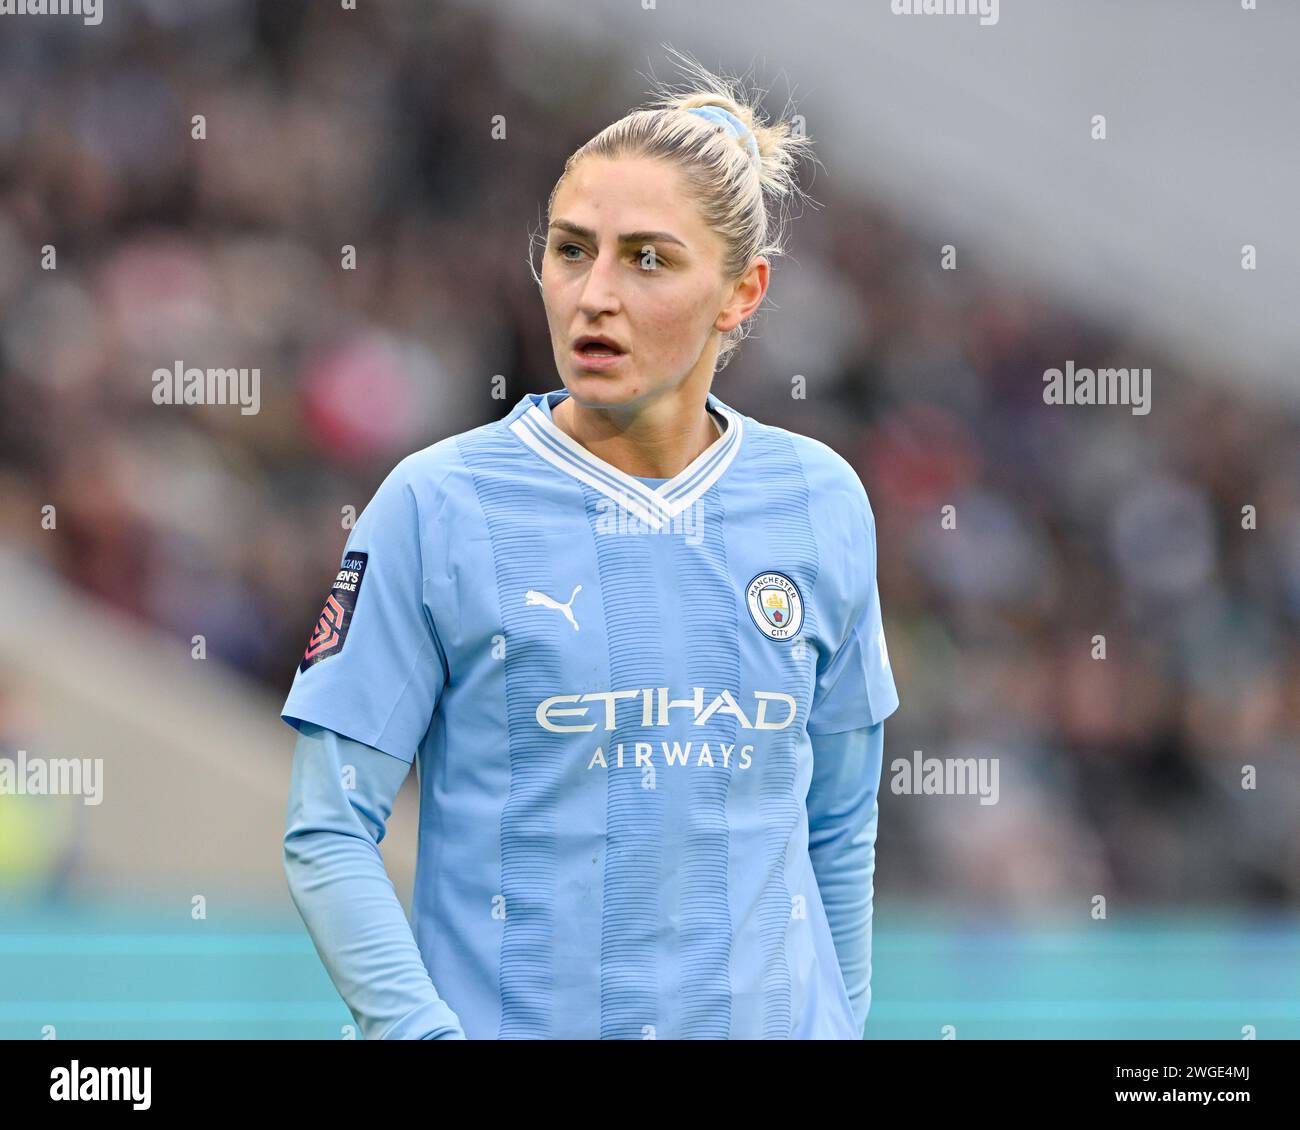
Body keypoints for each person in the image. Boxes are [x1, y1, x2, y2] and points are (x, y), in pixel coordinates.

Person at [281, 55, 899, 1040]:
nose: (594, 294)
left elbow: (839, 822)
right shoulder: (439, 504)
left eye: (647, 258)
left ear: (741, 293)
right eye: (572, 251)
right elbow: (327, 828)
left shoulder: (818, 498)